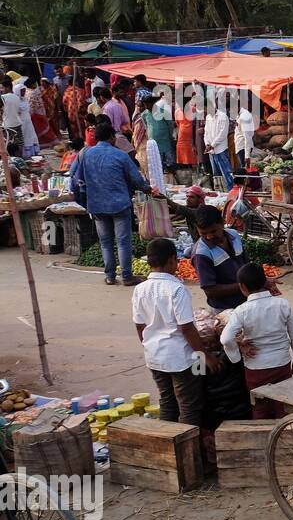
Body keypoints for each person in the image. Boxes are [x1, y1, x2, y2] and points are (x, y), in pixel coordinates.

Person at [132, 238, 222, 426]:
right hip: (181, 359)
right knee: (190, 406)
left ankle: (168, 446)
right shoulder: (176, 289)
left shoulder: (139, 289)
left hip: (155, 358)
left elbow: (140, 326)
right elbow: (187, 328)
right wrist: (205, 356)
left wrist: (151, 346)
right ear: (173, 260)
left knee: (167, 403)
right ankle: (188, 451)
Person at [69, 120, 153, 286]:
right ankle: (127, 276)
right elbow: (136, 179)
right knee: (123, 241)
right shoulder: (120, 155)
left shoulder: (85, 154)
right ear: (111, 137)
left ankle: (110, 276)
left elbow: (74, 177)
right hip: (119, 204)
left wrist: (84, 200)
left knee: (105, 242)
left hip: (97, 205)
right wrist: (147, 189)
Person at [220, 263, 293, 421]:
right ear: (264, 281)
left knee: (260, 409)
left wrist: (236, 356)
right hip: (281, 364)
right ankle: (285, 439)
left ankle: (263, 441)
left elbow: (225, 338)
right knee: (283, 406)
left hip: (255, 368)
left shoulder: (241, 311)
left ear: (242, 287)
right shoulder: (282, 304)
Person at [192, 204, 249, 310]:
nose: (209, 236)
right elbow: (210, 291)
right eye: (203, 233)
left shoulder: (234, 235)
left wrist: (258, 281)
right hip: (224, 309)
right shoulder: (201, 254)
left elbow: (246, 263)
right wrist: (246, 284)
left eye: (213, 231)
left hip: (246, 301)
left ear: (222, 223)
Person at [203, 105, 234, 190]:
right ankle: (220, 193)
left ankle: (231, 191)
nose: (204, 111)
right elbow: (206, 133)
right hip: (211, 152)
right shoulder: (208, 117)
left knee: (227, 174)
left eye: (204, 108)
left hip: (221, 150)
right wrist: (207, 144)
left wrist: (212, 145)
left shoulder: (223, 117)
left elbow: (223, 134)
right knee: (216, 175)